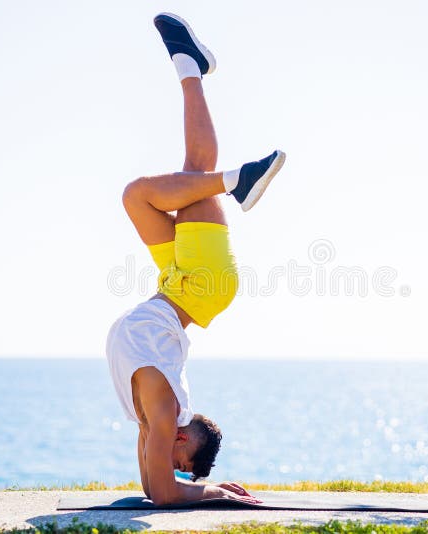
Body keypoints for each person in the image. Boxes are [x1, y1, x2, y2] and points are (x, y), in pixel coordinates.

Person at [106, 12, 286, 506]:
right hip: (201, 285)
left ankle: (190, 66)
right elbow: (164, 496)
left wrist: (201, 485)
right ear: (183, 441)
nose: (174, 472)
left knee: (141, 196)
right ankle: (235, 180)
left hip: (177, 285)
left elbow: (150, 487)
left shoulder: (151, 421)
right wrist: (213, 496)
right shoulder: (164, 413)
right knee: (189, 175)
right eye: (182, 467)